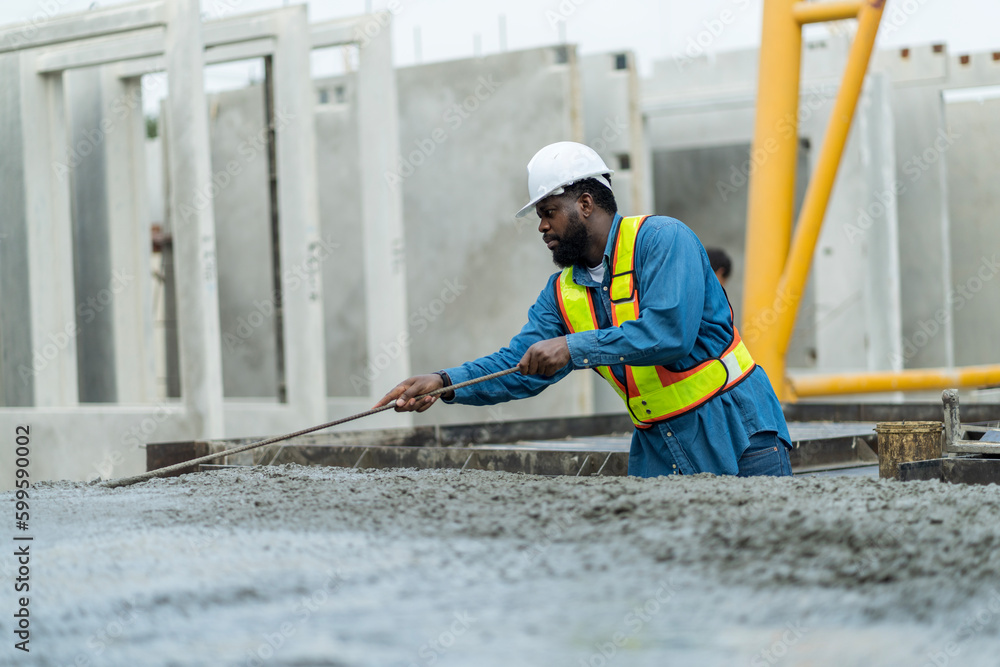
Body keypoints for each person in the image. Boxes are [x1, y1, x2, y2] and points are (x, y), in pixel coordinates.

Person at [376, 142, 792, 478]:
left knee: (758, 568)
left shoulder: (663, 240)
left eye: (548, 213)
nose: (541, 227)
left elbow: (669, 334)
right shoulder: (562, 292)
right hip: (659, 447)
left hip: (737, 433)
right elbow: (517, 365)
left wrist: (572, 348)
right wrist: (445, 382)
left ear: (586, 204)